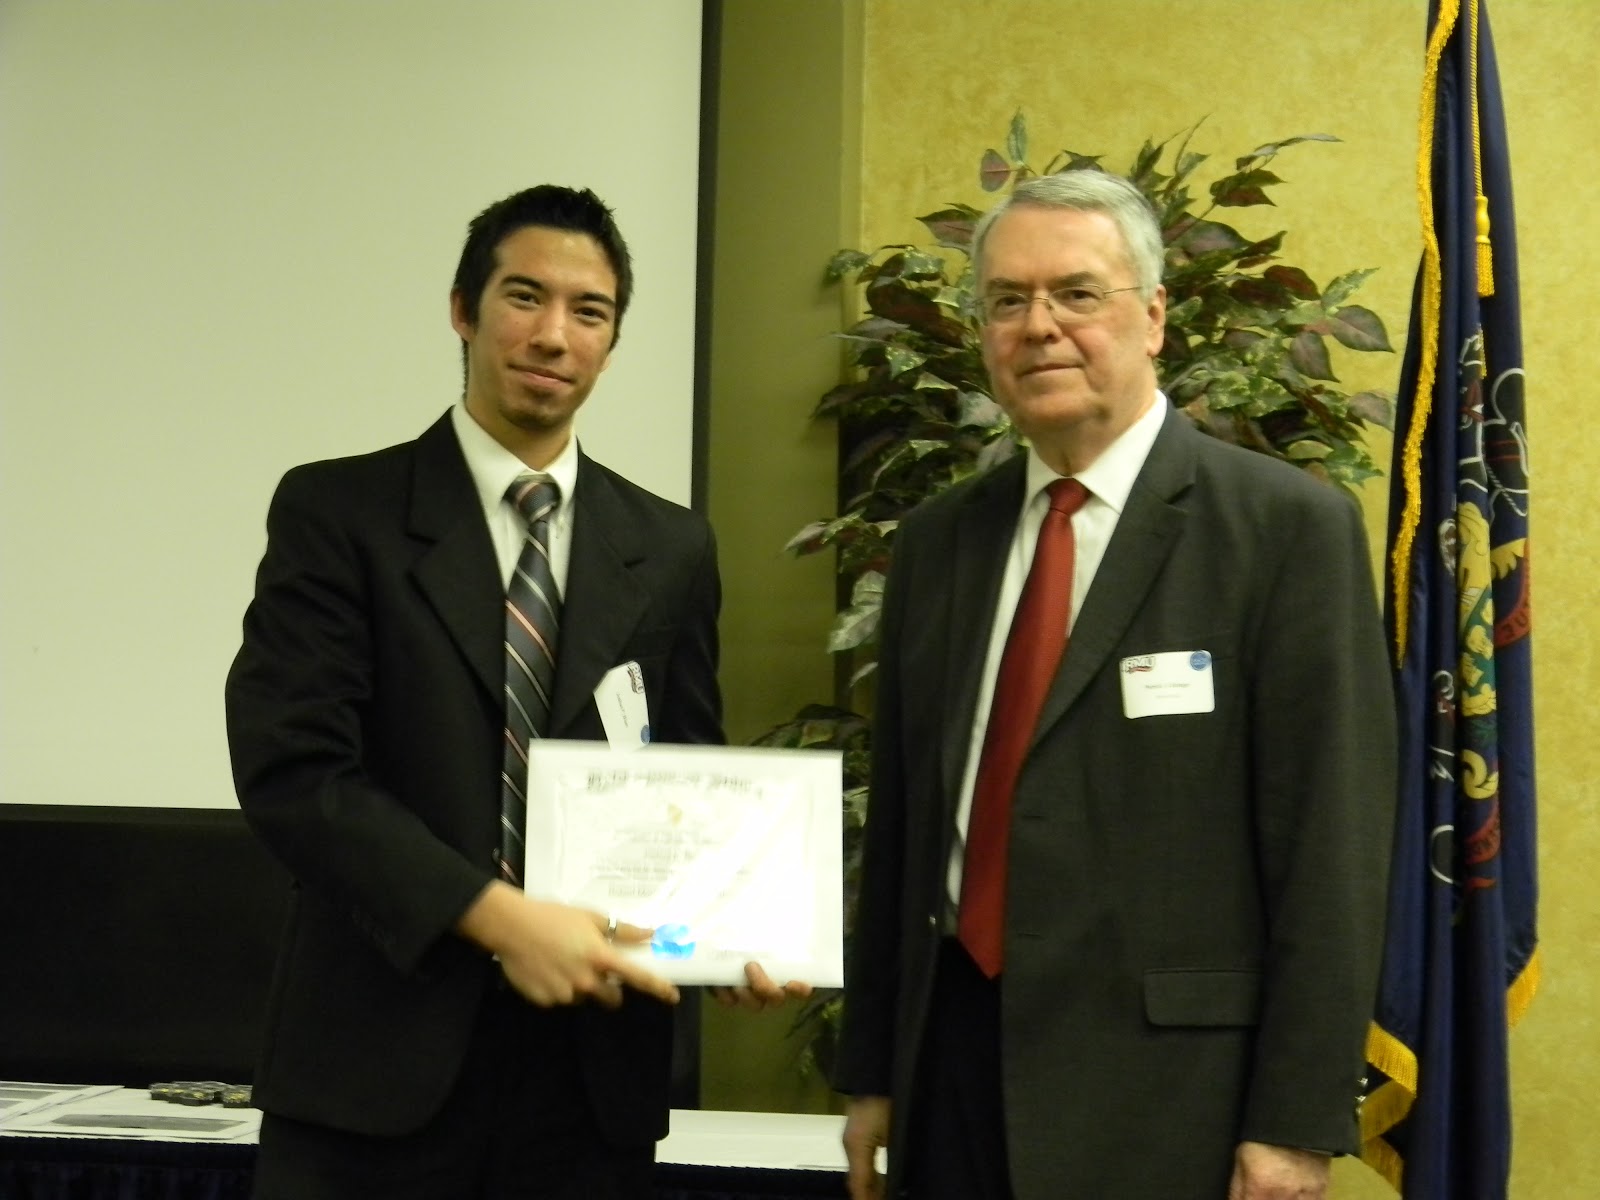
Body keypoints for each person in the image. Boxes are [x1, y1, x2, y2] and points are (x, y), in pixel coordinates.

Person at [226, 184, 801, 1200]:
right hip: (373, 1075)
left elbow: (683, 790)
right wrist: (496, 916)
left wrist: (729, 930)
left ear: (613, 340)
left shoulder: (668, 548)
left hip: (587, 1094)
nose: (553, 335)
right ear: (463, 308)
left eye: (589, 312)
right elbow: (297, 775)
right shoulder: (338, 512)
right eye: (524, 297)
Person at [834, 170, 1396, 1200]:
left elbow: (1335, 850)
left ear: (1153, 318)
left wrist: (1294, 1121)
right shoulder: (936, 543)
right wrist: (872, 1069)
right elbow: (911, 829)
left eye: (1075, 294)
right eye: (1007, 301)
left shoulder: (1281, 533)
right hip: (949, 1074)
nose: (1038, 326)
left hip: (1171, 1100)